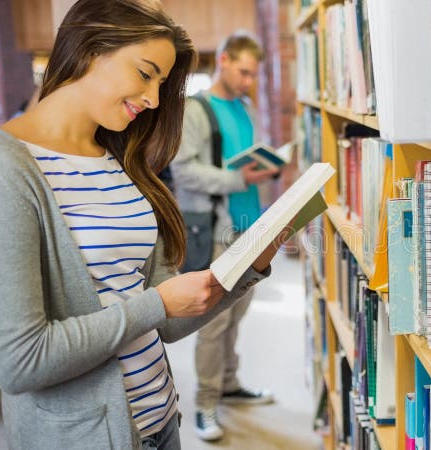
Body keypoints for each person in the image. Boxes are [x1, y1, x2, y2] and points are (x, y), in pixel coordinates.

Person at [0, 1, 285, 449]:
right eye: (145, 74)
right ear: (91, 49)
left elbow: (165, 321)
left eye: (161, 82)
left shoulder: (121, 161)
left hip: (161, 423)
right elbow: (20, 360)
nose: (154, 99)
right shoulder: (1, 167)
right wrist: (155, 304)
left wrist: (247, 269)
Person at [169, 30, 279, 442]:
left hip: (249, 226)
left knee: (236, 315)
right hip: (217, 230)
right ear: (226, 60)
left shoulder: (243, 107)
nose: (249, 82)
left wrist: (263, 170)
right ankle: (205, 404)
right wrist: (239, 177)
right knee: (213, 322)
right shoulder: (196, 110)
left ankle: (229, 385)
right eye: (245, 72)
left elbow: (241, 161)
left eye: (254, 75)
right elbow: (184, 171)